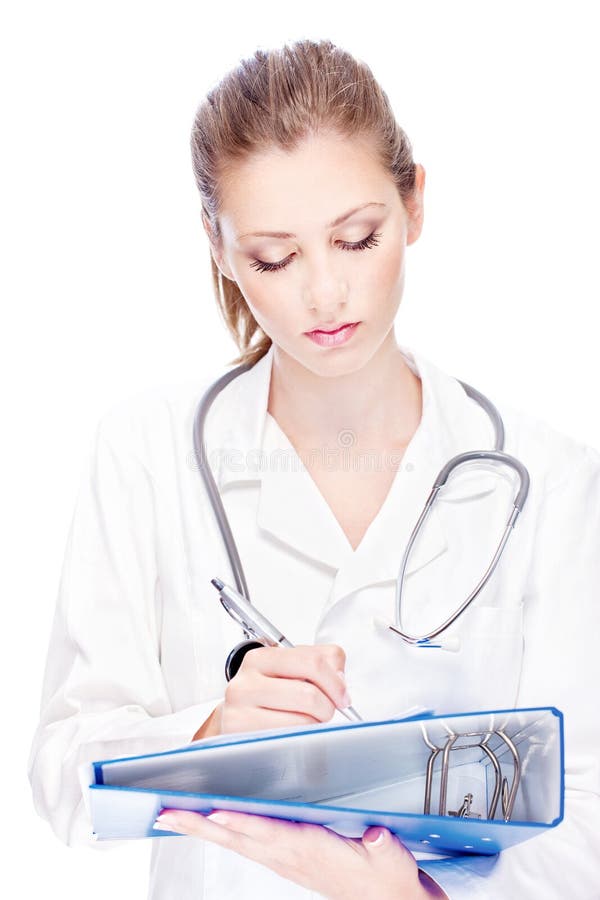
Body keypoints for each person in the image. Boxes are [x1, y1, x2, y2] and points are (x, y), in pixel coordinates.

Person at [27, 37, 600, 900]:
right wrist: (212, 731)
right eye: (274, 257)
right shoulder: (142, 450)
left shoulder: (548, 480)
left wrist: (405, 895)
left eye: (357, 238)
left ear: (413, 205)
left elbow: (587, 817)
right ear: (218, 249)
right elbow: (62, 778)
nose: (325, 293)